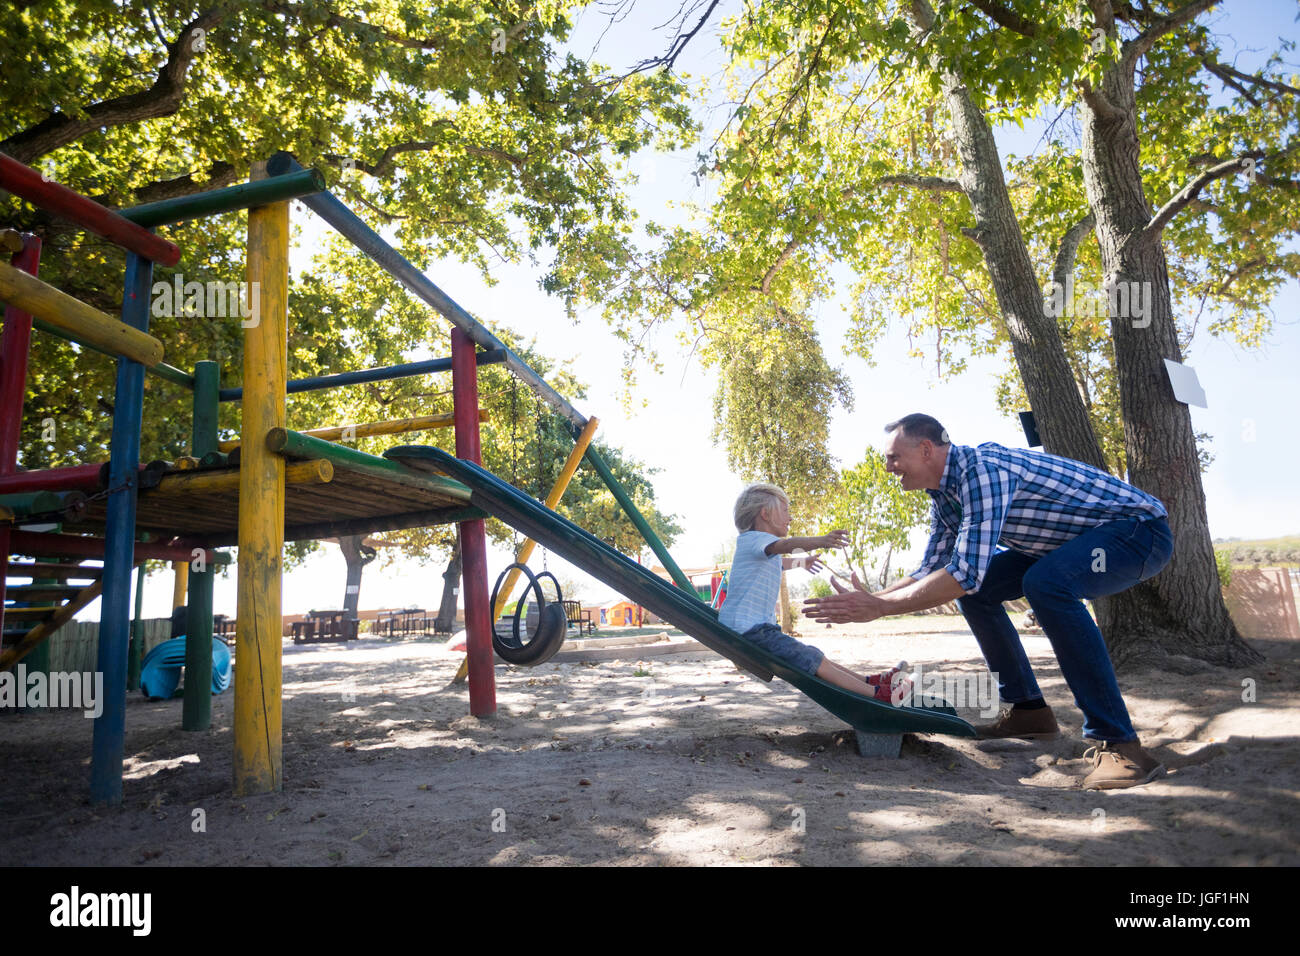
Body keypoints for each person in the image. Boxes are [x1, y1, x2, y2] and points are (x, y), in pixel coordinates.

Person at [803, 413, 1174, 790]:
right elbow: (933, 569)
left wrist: (879, 608)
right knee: (980, 594)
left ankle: (1123, 747)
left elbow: (963, 574)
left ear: (926, 449)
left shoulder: (983, 472)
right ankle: (1029, 712)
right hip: (1063, 547)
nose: (887, 468)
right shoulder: (945, 496)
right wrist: (871, 599)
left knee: (1044, 584)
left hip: (1138, 533)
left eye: (894, 457)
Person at [722, 482, 909, 703]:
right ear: (765, 514)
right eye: (785, 511)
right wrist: (822, 540)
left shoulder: (757, 547)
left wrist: (802, 562)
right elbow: (787, 545)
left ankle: (871, 682)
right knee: (811, 658)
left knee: (814, 657)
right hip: (750, 630)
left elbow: (779, 562)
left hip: (754, 628)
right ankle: (879, 695)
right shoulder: (756, 539)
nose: (789, 518)